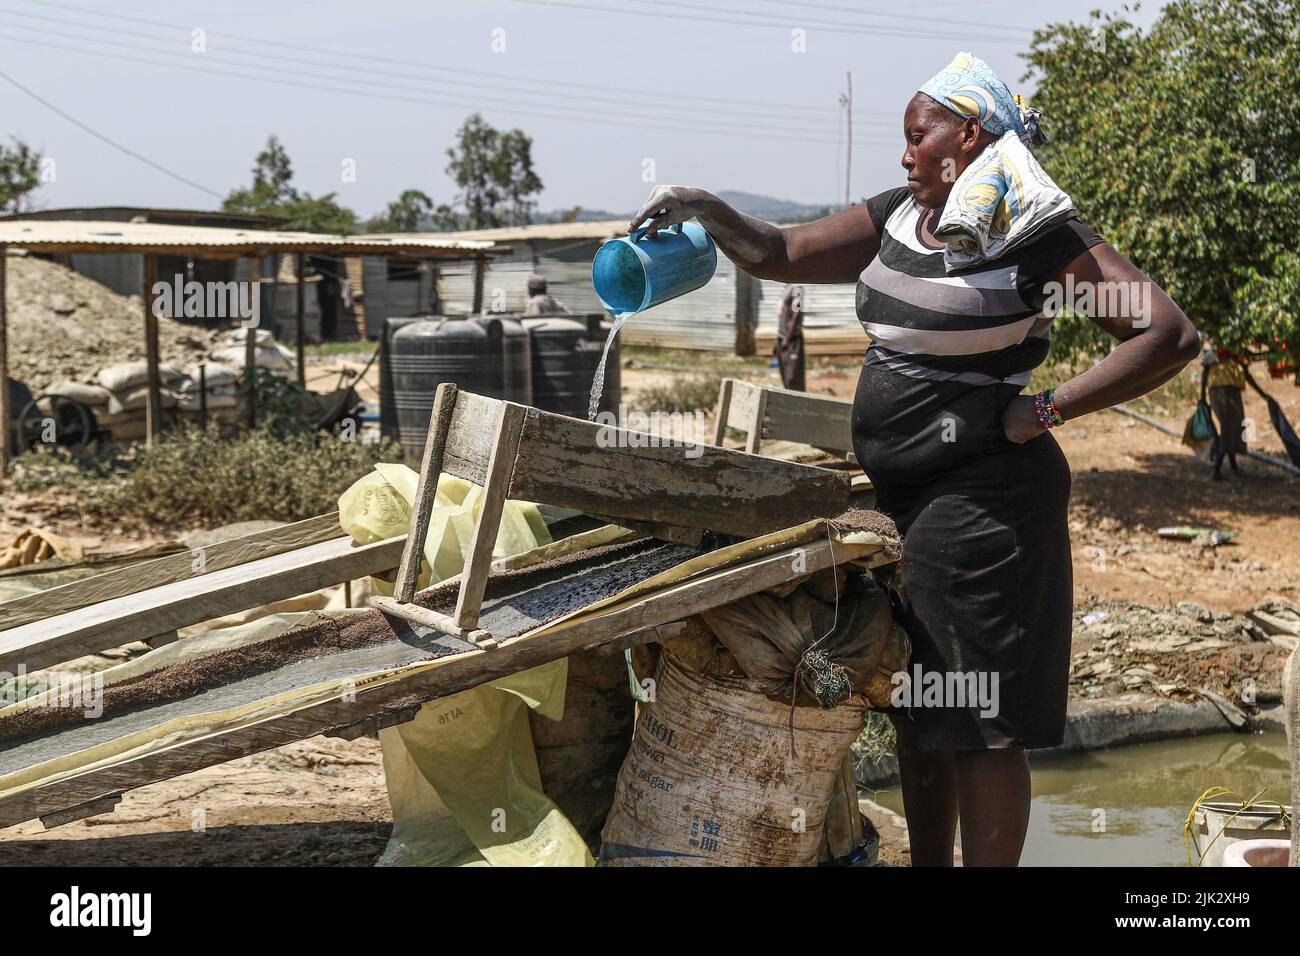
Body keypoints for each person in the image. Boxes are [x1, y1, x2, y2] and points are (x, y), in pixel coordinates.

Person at [627, 52, 1198, 866]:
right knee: (915, 701)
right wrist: (703, 208)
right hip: (902, 507)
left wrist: (1044, 409)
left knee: (982, 723)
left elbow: (1166, 334)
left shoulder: (1034, 235)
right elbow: (782, 251)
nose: (904, 155)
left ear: (967, 135)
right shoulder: (900, 215)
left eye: (916, 136)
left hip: (988, 508)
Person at [1200, 337, 1249, 479]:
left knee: (1233, 427)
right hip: (1218, 390)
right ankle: (1217, 470)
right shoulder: (1214, 348)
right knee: (1227, 427)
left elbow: (1246, 372)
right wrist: (1203, 397)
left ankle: (1233, 466)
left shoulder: (1236, 350)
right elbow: (1205, 369)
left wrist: (1263, 395)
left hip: (1234, 391)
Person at [775, 284, 806, 391]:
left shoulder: (797, 288)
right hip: (782, 337)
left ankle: (798, 402)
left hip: (791, 339)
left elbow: (797, 313)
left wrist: (787, 338)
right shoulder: (785, 287)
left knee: (793, 376)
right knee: (785, 374)